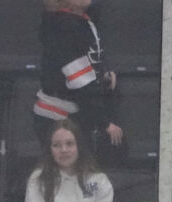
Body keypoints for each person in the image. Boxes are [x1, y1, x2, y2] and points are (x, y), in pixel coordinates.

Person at [36, 0, 119, 153]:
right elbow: (80, 81)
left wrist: (102, 75)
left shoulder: (81, 22)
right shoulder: (63, 27)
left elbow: (89, 61)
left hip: (76, 113)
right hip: (58, 117)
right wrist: (104, 123)